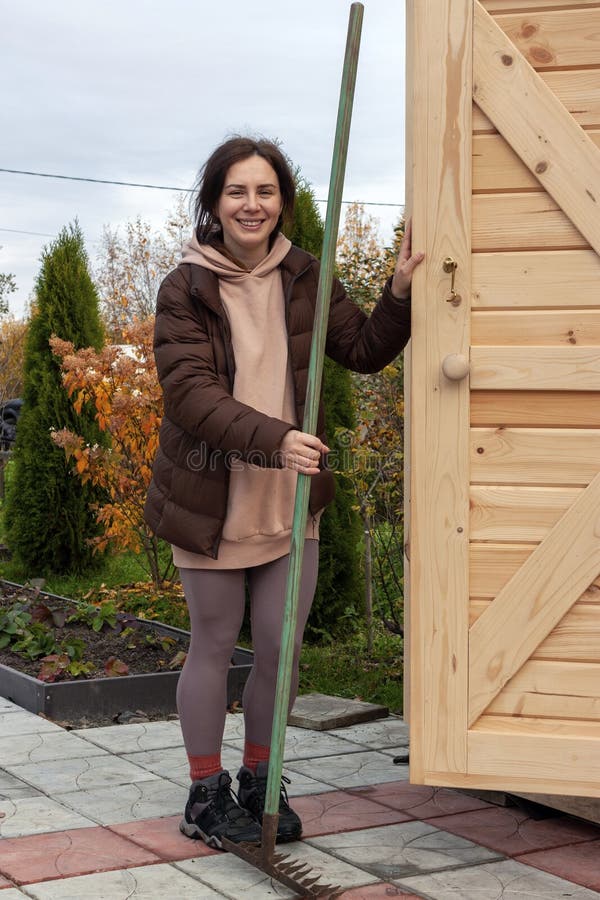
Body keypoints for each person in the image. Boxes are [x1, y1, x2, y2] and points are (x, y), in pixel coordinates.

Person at [144, 135, 423, 850]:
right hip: (212, 496)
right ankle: (204, 794)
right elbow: (190, 394)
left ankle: (261, 780)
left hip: (289, 502)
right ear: (213, 202)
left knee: (280, 649)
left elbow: (362, 350)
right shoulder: (185, 287)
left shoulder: (306, 276)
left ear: (282, 203)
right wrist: (275, 440)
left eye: (265, 192)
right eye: (237, 191)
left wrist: (397, 292)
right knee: (212, 643)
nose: (252, 204)